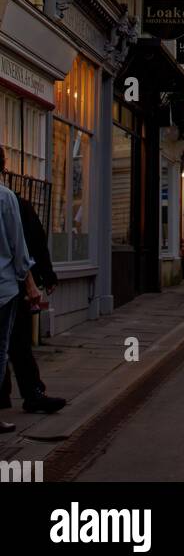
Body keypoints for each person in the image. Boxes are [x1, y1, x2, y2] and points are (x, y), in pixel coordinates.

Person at [0, 146, 65, 415]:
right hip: (8, 287)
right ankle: (32, 393)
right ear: (4, 166)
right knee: (14, 344)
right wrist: (37, 280)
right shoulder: (10, 199)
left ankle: (6, 396)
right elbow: (25, 246)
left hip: (9, 284)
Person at [0, 161, 40, 435]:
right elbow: (18, 245)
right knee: (0, 351)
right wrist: (30, 284)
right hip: (3, 289)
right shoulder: (5, 197)